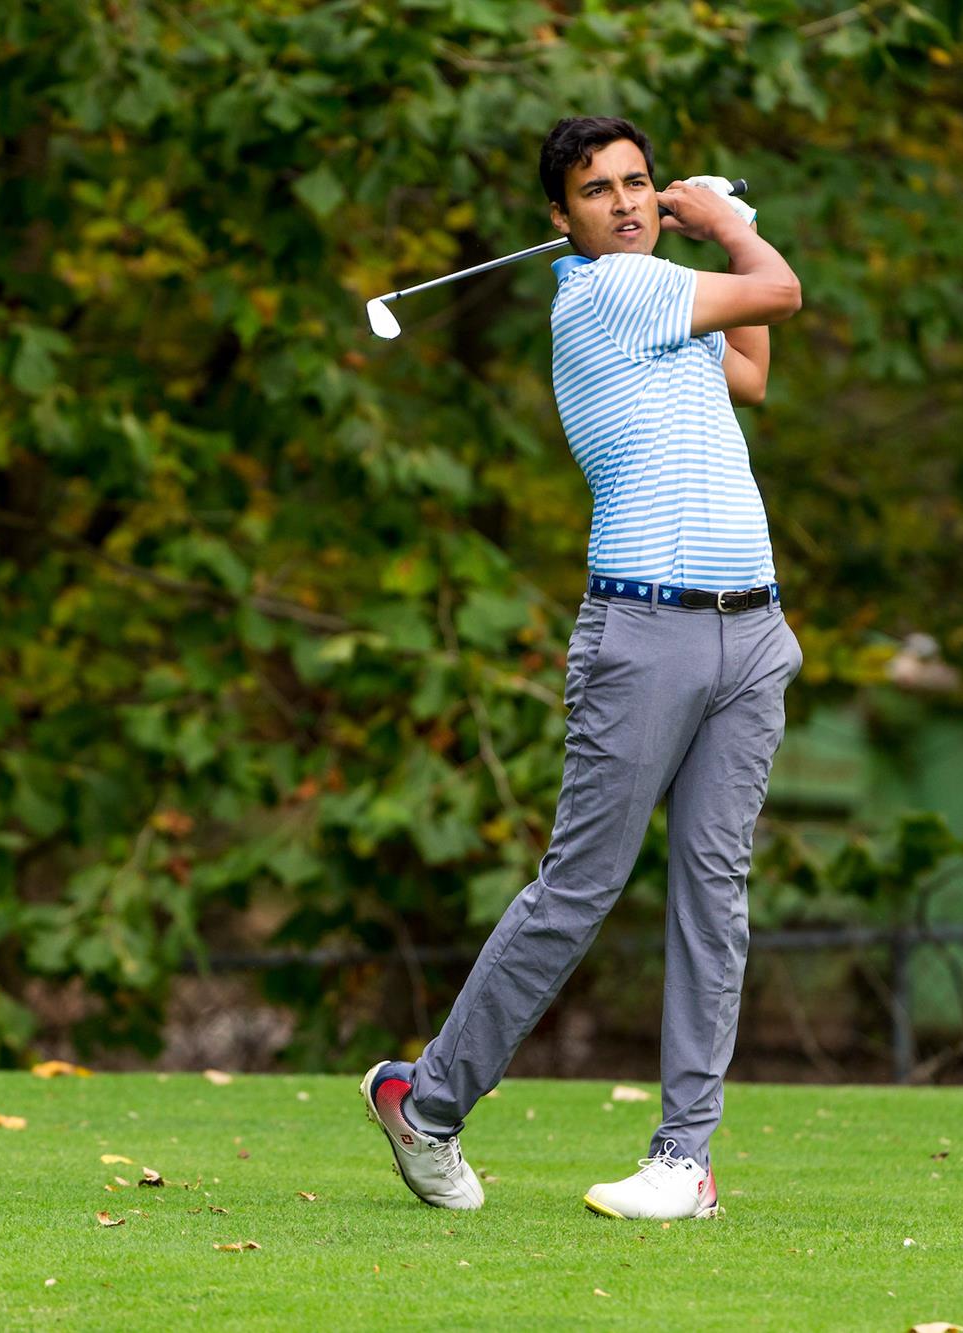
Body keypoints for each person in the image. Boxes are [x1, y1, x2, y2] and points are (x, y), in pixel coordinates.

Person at [361, 115, 805, 1221]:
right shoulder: (608, 292)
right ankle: (426, 1098)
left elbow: (749, 367)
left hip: (749, 632)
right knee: (579, 889)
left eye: (639, 183)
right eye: (596, 190)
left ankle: (682, 1159)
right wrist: (728, 226)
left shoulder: (665, 299)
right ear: (560, 219)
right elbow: (781, 295)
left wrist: (725, 233)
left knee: (715, 894)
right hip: (643, 631)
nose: (624, 202)